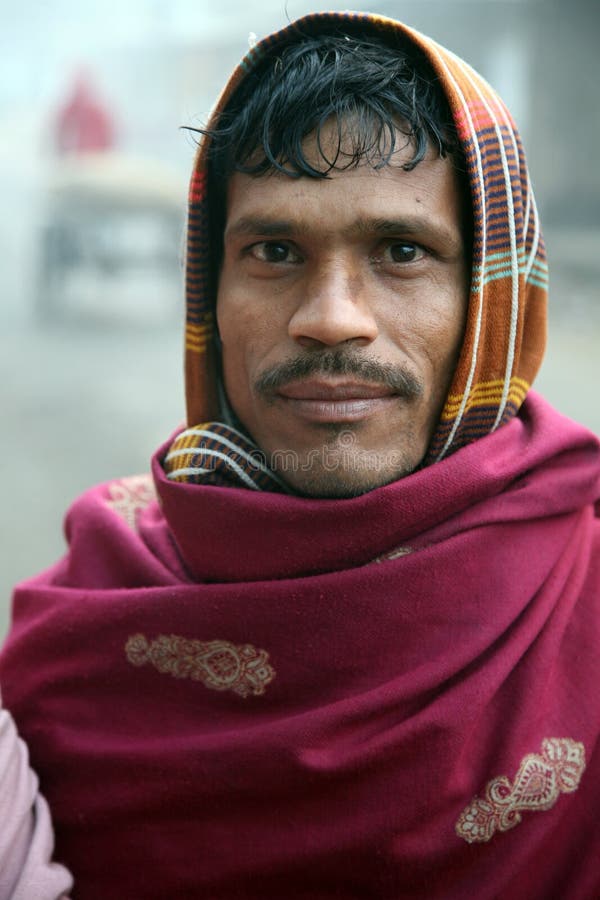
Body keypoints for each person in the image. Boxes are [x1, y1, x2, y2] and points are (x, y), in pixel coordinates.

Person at [1, 10, 599, 899]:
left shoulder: (580, 585)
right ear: (211, 290)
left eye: (402, 252)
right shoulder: (86, 614)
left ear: (491, 300)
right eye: (275, 251)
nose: (330, 317)